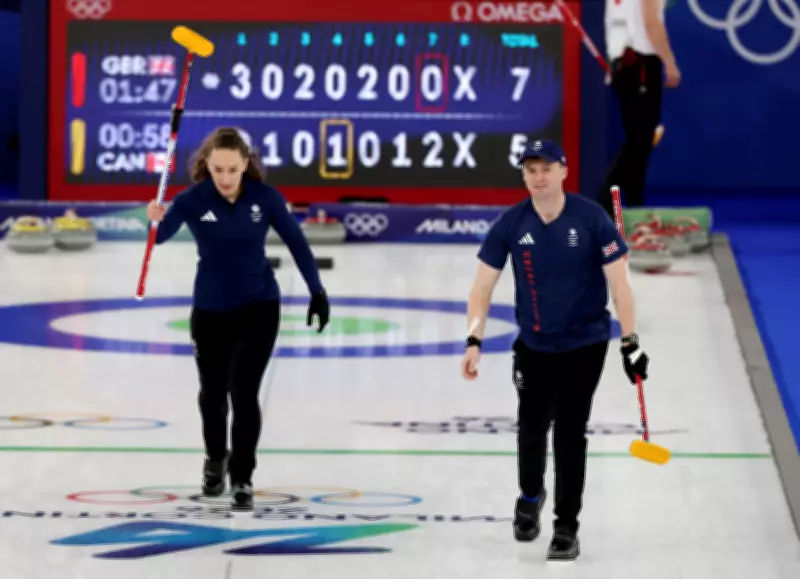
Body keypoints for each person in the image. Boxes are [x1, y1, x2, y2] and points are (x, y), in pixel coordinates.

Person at [460, 139, 649, 561]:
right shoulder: (511, 224)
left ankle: (566, 526)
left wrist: (631, 342)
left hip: (585, 343)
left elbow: (620, 286)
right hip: (534, 345)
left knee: (568, 433)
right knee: (530, 428)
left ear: (563, 171)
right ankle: (530, 497)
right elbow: (482, 287)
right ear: (524, 175)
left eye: (547, 168)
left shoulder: (592, 219)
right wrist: (474, 338)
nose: (539, 177)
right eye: (531, 169)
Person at [146, 127, 330, 511]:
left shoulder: (265, 198)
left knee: (242, 391)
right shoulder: (192, 200)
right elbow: (159, 237)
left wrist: (317, 291)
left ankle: (242, 477)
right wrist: (153, 218)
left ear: (245, 164)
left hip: (259, 307)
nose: (226, 178)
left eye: (232, 169)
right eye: (218, 170)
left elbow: (297, 242)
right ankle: (215, 459)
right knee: (212, 394)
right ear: (207, 167)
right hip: (210, 311)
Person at [597, 0, 681, 215]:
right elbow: (651, 22)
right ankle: (603, 201)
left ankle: (635, 205)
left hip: (623, 64)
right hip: (640, 65)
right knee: (640, 140)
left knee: (638, 141)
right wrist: (669, 62)